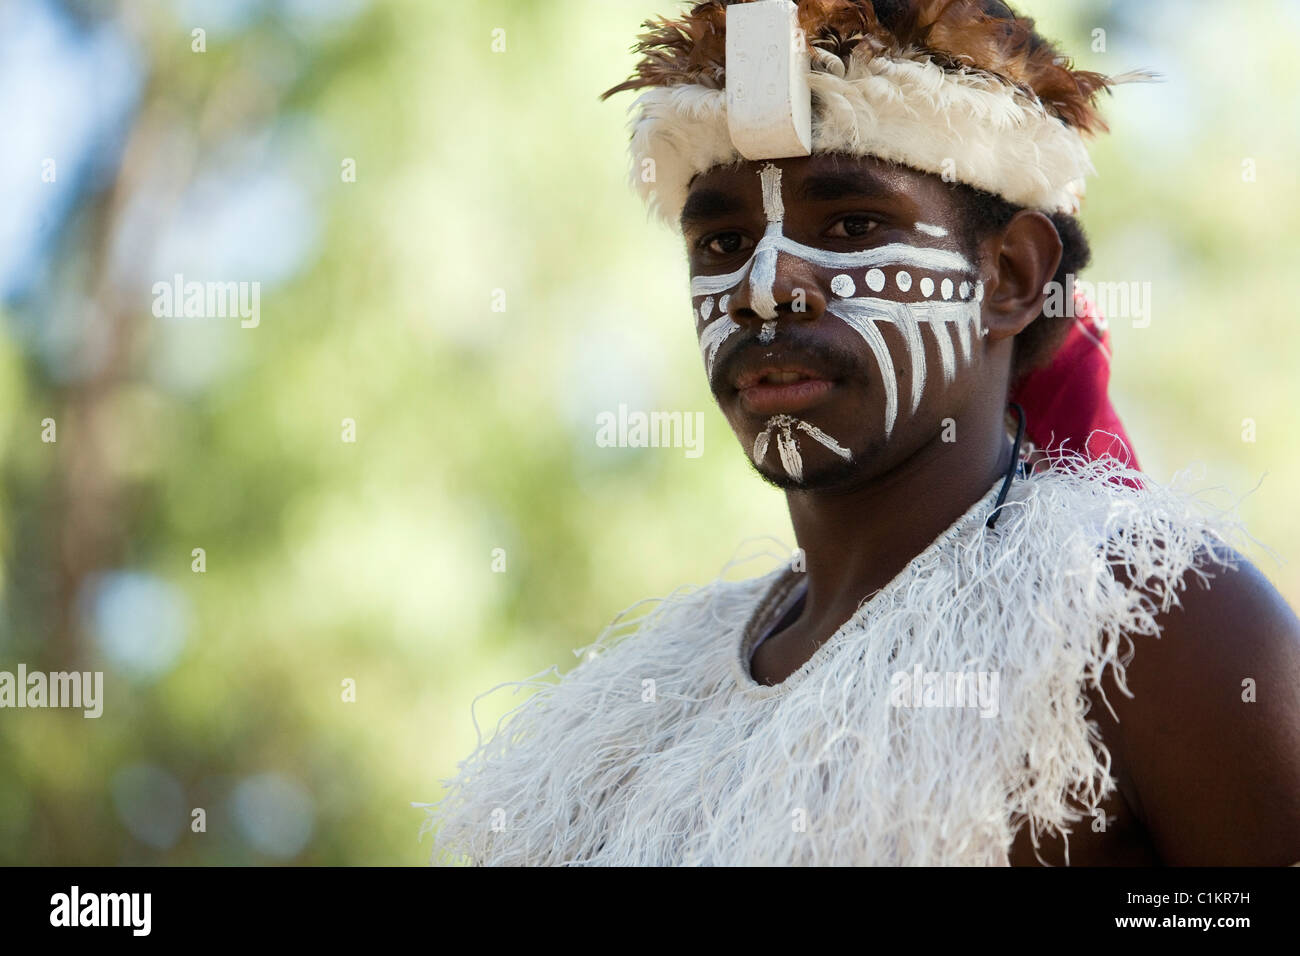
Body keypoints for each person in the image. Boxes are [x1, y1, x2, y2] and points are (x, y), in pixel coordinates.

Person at [423, 0, 1300, 866]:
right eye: (722, 239)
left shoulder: (1149, 627)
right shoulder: (624, 725)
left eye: (851, 224)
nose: (761, 289)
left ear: (1009, 276)